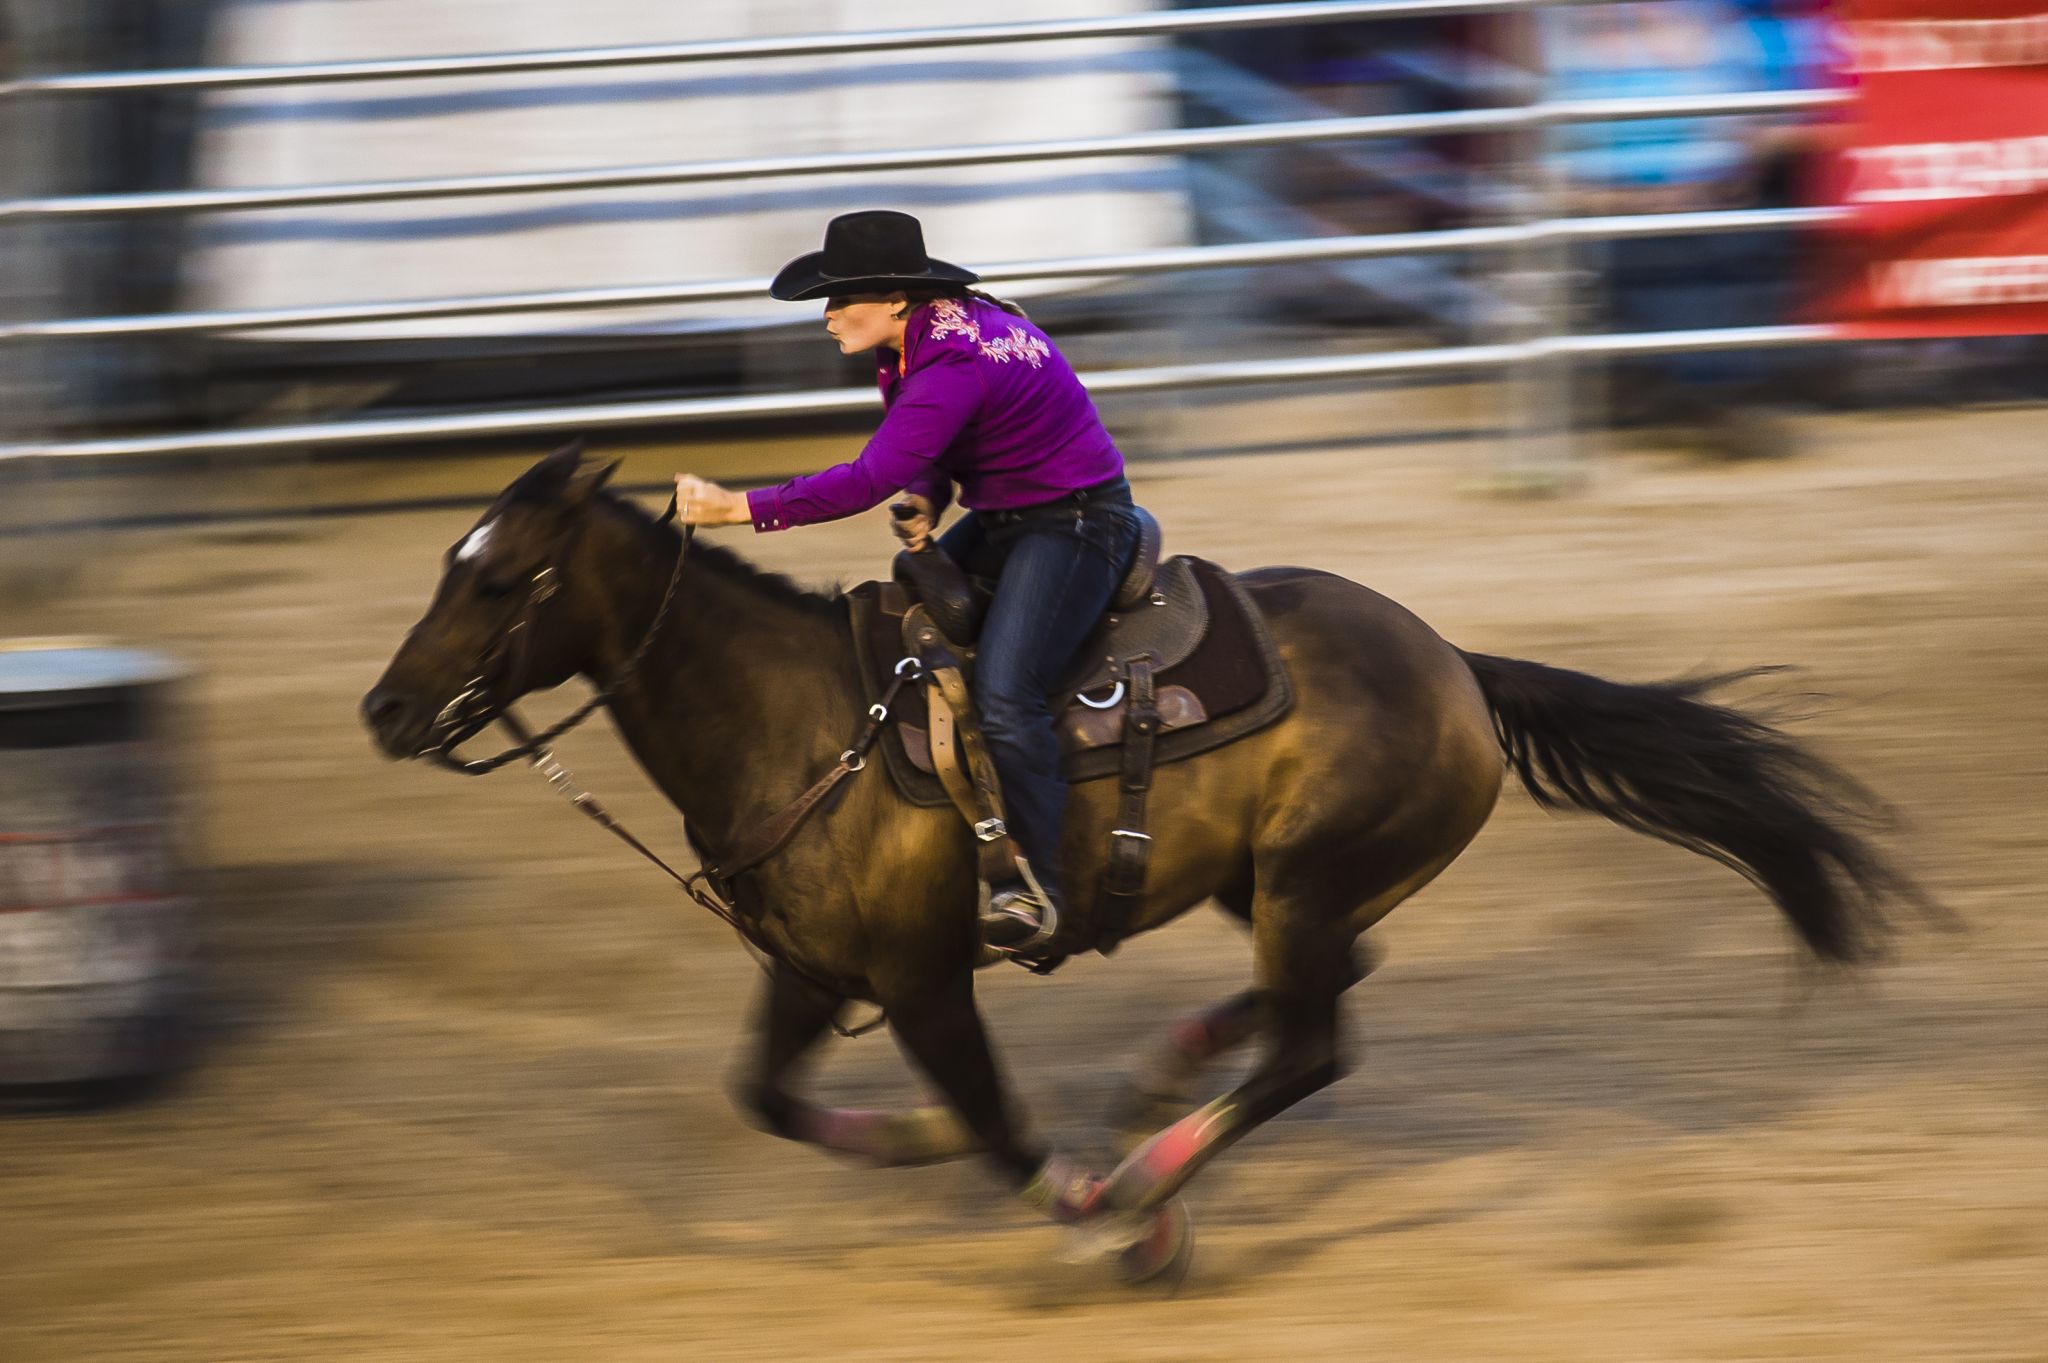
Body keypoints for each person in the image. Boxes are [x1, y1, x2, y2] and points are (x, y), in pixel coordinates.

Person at [672, 210, 1141, 957]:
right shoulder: (933, 336)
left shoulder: (948, 362)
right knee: (908, 600)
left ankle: (1040, 888)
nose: (826, 317)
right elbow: (934, 447)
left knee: (1009, 691)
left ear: (894, 296)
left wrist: (740, 508)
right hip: (1019, 511)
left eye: (839, 298)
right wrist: (930, 491)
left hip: (1073, 524)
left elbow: (867, 478)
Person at [1545, 0, 1810, 458]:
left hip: (1707, 201)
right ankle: (1715, 397)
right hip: (1620, 213)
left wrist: (1725, 184)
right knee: (1664, 262)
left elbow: (1751, 135)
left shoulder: (1716, 40)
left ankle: (1713, 395)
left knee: (1743, 245)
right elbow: (1557, 175)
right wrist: (1625, 203)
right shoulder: (1569, 55)